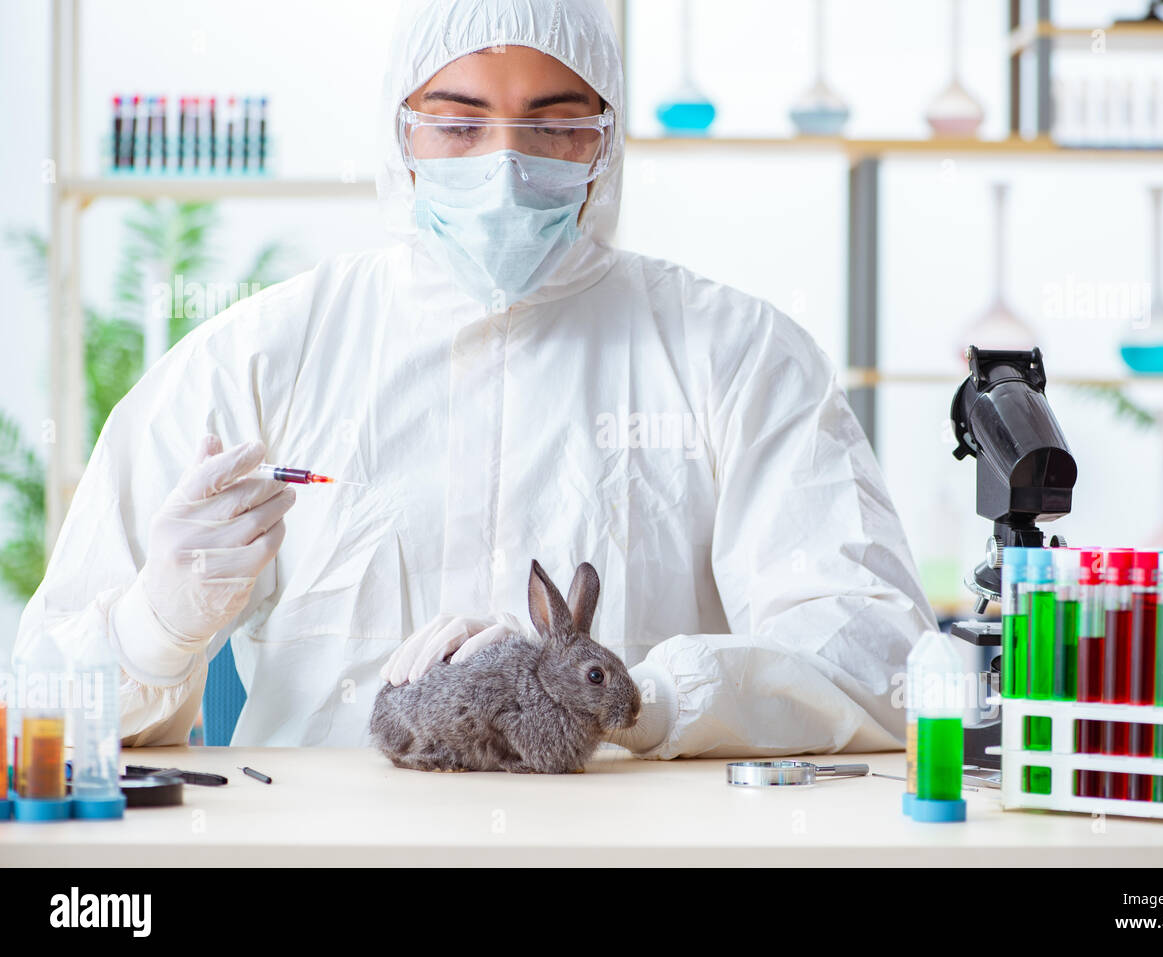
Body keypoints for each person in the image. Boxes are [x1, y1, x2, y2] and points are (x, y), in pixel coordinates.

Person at [15, 0, 938, 757]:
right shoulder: (259, 358)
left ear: (606, 142)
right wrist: (156, 627)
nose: (503, 164)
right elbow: (44, 711)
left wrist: (640, 700)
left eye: (555, 123)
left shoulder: (737, 355)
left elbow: (878, 659)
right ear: (399, 134)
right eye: (456, 123)